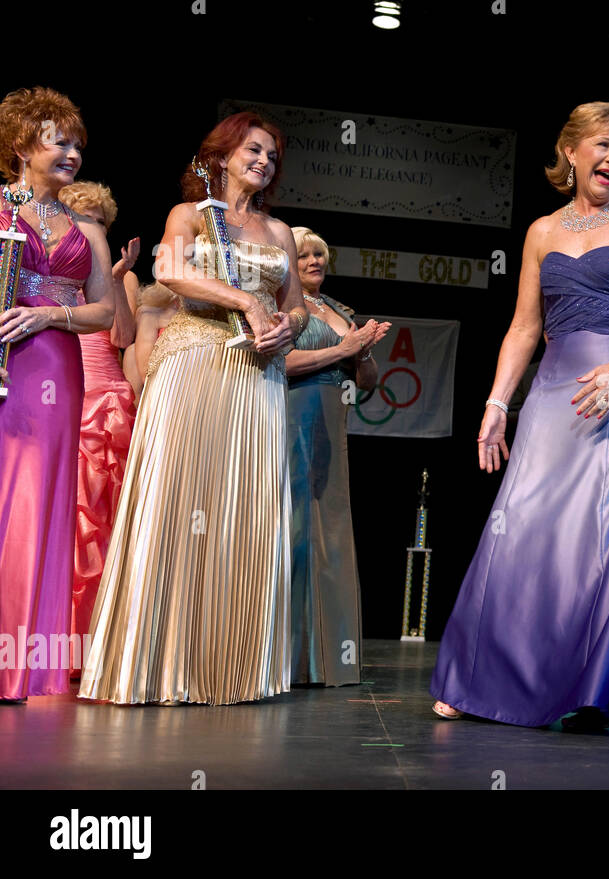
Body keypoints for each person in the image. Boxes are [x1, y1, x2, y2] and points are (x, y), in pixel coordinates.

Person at [429, 101, 609, 729]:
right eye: (603, 145)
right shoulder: (542, 232)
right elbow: (523, 327)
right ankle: (481, 680)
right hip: (555, 391)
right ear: (569, 153)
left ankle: (595, 689)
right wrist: (497, 404)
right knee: (523, 526)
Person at [79, 111, 307, 705]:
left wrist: (286, 326)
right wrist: (244, 302)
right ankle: (155, 663)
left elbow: (298, 305)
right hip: (192, 365)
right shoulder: (190, 216)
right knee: (179, 501)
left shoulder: (279, 232)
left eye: (273, 156)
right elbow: (171, 271)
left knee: (244, 507)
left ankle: (227, 667)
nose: (263, 161)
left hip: (256, 376)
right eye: (252, 150)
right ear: (223, 155)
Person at [0, 87, 115, 702]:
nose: (71, 153)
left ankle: (19, 665)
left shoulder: (83, 226)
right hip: (3, 360)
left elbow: (106, 312)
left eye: (77, 144)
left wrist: (48, 317)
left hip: (56, 366)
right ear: (21, 146)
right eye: (58, 141)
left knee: (37, 500)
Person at [286, 225, 390, 686]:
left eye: (320, 255)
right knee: (292, 525)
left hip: (333, 417)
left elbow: (366, 381)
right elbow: (278, 363)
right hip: (291, 411)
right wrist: (342, 348)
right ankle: (286, 657)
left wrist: (361, 353)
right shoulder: (280, 307)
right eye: (304, 254)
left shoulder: (338, 310)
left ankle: (327, 656)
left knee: (329, 526)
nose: (314, 261)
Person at [57, 181, 142, 646]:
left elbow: (124, 337)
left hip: (105, 402)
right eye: (81, 217)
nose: (91, 226)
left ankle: (95, 640)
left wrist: (115, 276)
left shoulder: (121, 276)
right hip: (64, 394)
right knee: (64, 519)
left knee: (100, 523)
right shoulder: (55, 271)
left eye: (99, 221)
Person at [124, 282, 180, 398]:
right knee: (131, 353)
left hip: (206, 382)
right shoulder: (151, 313)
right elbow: (147, 373)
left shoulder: (213, 313)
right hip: (166, 392)